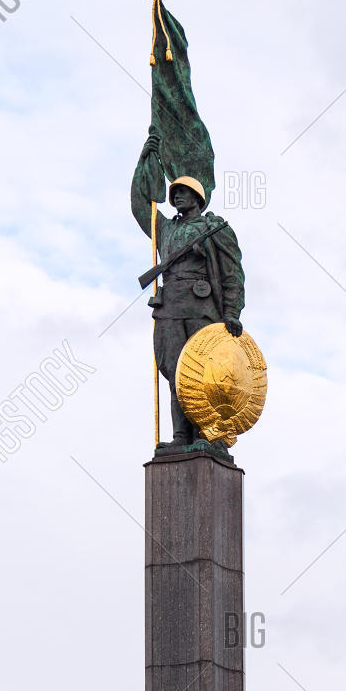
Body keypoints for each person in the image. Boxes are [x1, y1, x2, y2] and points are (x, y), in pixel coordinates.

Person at [131, 131, 245, 452]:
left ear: (197, 197)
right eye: (174, 192)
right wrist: (144, 162)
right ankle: (181, 436)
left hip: (202, 306)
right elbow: (142, 206)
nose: (177, 196)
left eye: (182, 192)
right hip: (170, 306)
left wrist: (232, 312)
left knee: (204, 372)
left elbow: (232, 272)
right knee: (175, 373)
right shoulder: (166, 228)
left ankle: (208, 435)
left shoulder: (214, 228)